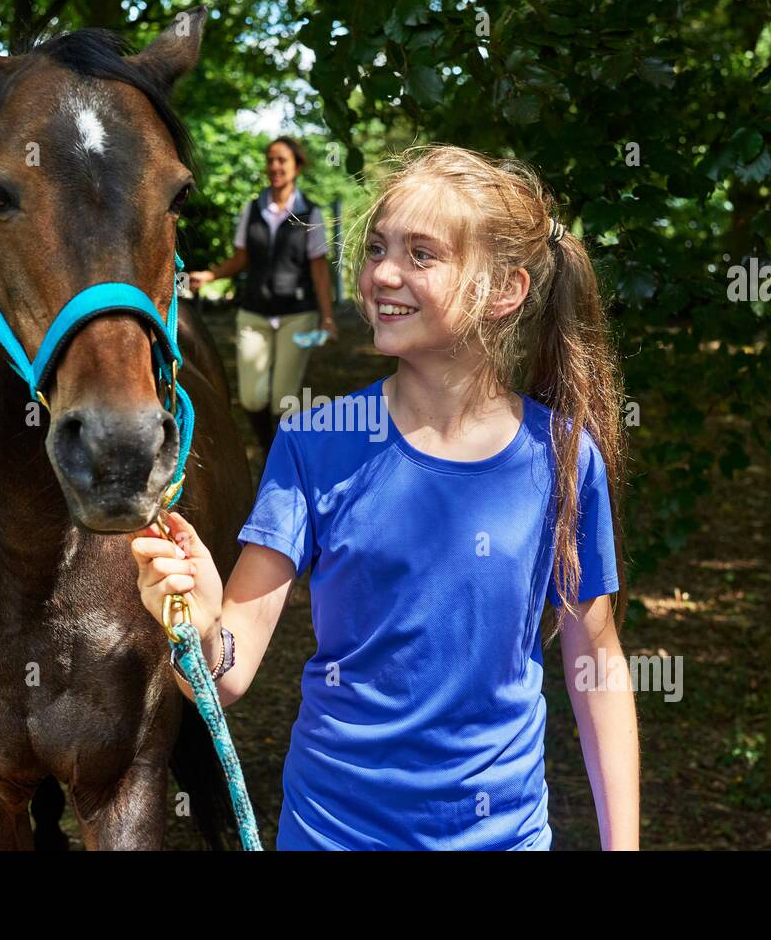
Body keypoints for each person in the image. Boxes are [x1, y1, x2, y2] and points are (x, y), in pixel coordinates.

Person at [132, 144, 639, 850]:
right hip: (333, 832)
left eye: (421, 254)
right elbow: (227, 672)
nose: (382, 273)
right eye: (377, 247)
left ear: (504, 291)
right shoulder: (315, 443)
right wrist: (196, 621)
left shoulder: (561, 457)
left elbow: (596, 660)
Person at [186, 136, 338, 452]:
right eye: (270, 159)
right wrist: (211, 275)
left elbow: (319, 269)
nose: (275, 166)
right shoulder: (252, 209)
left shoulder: (311, 213)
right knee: (253, 399)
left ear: (297, 166)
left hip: (298, 315)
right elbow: (241, 258)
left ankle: (284, 455)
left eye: (282, 160)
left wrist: (326, 318)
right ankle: (270, 449)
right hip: (253, 312)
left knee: (283, 400)